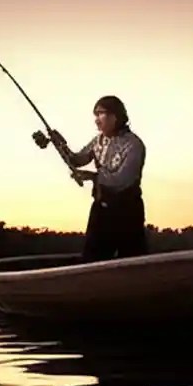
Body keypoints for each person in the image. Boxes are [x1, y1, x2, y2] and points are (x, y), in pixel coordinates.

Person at [49, 95, 148, 262]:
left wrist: (92, 176)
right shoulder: (98, 141)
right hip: (101, 210)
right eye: (95, 115)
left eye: (100, 114)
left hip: (127, 212)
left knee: (131, 261)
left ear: (115, 116)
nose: (96, 120)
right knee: (92, 259)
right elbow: (76, 160)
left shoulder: (134, 145)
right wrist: (58, 143)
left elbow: (122, 180)